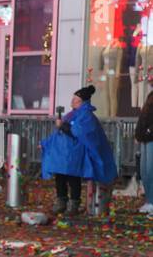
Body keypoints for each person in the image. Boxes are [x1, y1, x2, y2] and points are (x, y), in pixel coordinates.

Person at [41, 85, 117, 218]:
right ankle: (61, 202)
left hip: (74, 155)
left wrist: (63, 126)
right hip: (62, 155)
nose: (72, 101)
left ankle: (73, 204)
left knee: (73, 178)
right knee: (60, 177)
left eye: (75, 99)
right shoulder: (71, 114)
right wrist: (45, 143)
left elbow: (80, 132)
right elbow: (58, 134)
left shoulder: (86, 115)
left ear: (81, 101)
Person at [136, 88, 153, 216]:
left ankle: (151, 201)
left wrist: (148, 131)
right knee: (145, 171)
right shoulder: (150, 96)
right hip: (145, 138)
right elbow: (143, 117)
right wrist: (139, 133)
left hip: (150, 138)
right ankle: (149, 200)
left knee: (150, 170)